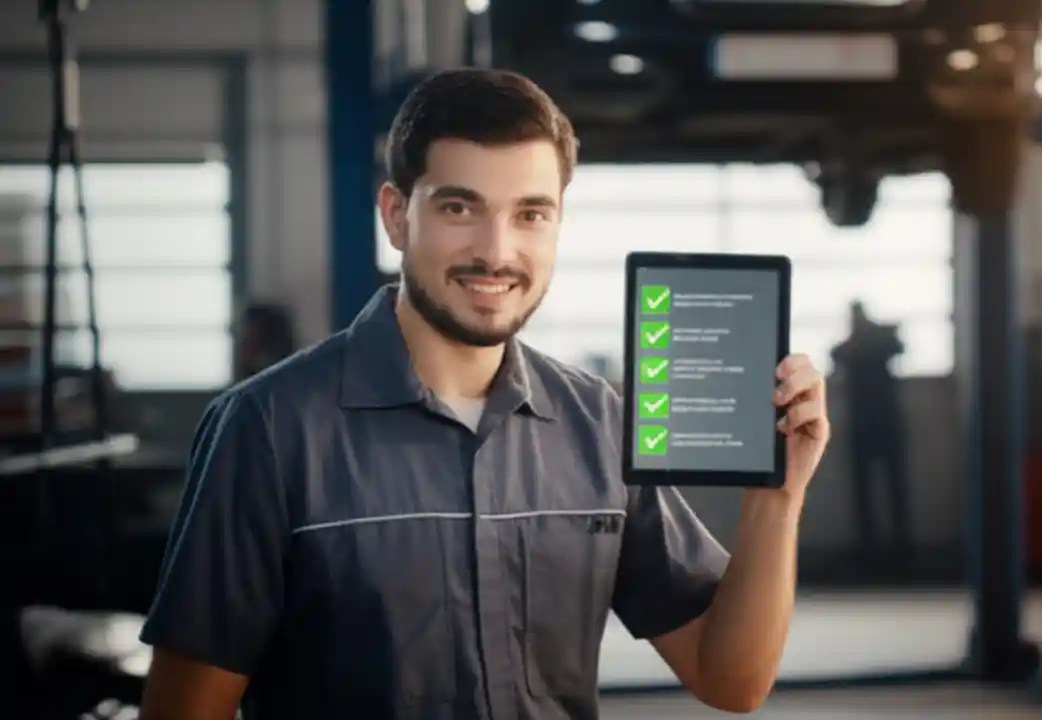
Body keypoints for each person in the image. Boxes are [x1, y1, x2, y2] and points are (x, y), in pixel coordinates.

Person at [137, 68, 830, 720]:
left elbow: (730, 679)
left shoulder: (599, 425)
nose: (497, 251)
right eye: (461, 207)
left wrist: (778, 496)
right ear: (396, 215)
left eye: (531, 214)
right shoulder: (267, 429)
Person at [831, 302, 909, 568]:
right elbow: (837, 356)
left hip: (882, 423)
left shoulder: (878, 342)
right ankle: (869, 549)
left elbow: (899, 347)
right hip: (867, 425)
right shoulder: (852, 347)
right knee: (866, 492)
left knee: (893, 488)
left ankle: (900, 546)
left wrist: (876, 335)